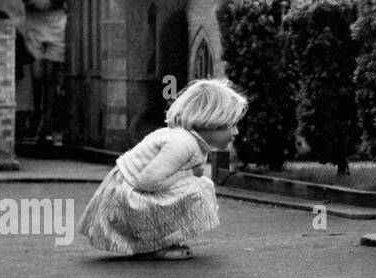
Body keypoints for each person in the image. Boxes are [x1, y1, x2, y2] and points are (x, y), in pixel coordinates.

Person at [77, 78, 248, 260]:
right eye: (232, 125)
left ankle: (159, 241)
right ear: (210, 122)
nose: (236, 132)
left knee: (200, 184)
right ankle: (155, 245)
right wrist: (190, 174)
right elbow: (147, 182)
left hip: (127, 193)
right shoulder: (183, 144)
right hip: (127, 199)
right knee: (199, 187)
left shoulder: (190, 140)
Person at [19, 0, 75, 145]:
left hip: (57, 19)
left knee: (53, 73)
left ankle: (47, 125)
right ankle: (31, 118)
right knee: (36, 72)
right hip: (32, 18)